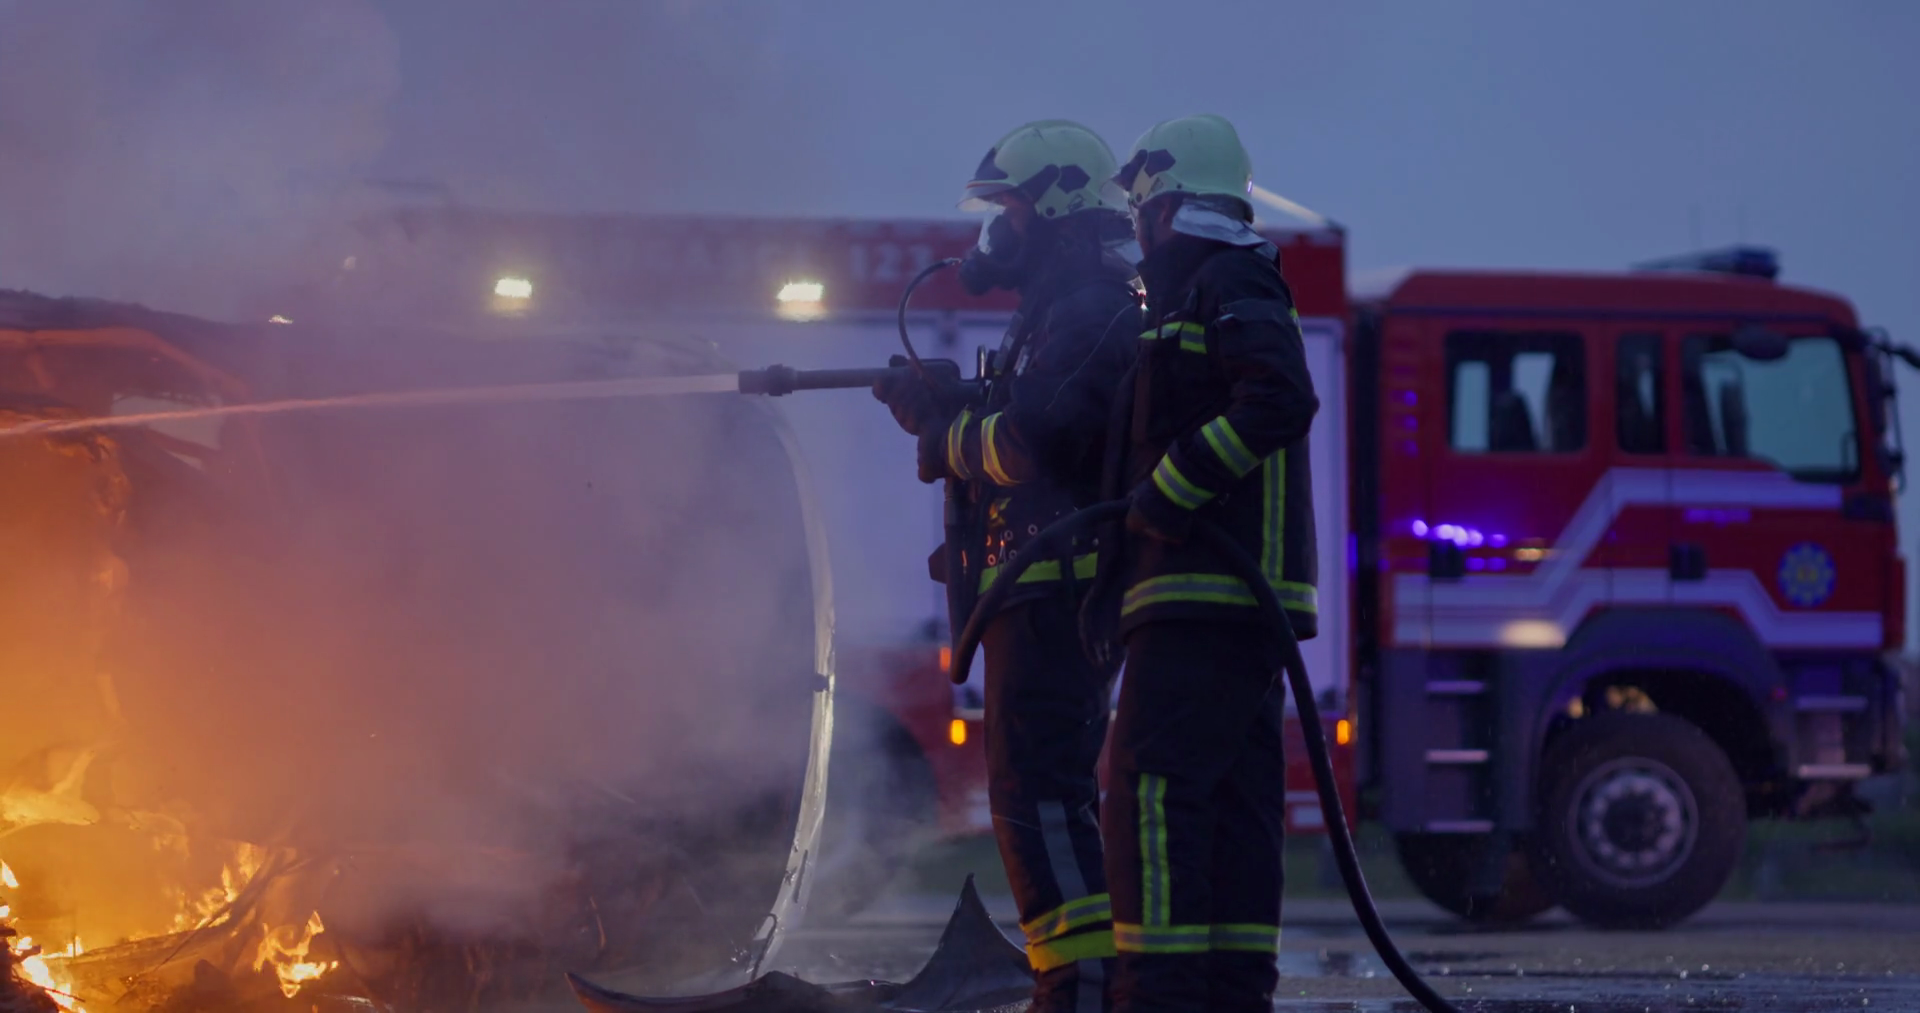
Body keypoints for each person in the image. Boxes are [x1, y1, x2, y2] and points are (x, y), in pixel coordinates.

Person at [874, 119, 1141, 1013]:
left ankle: (1081, 988)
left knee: (1044, 800)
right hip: (1036, 593)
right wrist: (949, 403)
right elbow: (1026, 414)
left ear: (1057, 208)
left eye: (1009, 211)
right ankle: (1073, 982)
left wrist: (946, 435)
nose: (994, 234)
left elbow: (1039, 439)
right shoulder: (1058, 310)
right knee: (1035, 799)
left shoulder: (1093, 310)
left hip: (1057, 600)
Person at [1099, 113, 1320, 1013]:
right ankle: (1230, 997)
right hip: (1227, 601)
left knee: (1149, 792)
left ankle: (1157, 995)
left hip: (1207, 591)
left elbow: (1278, 397)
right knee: (1232, 807)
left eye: (1144, 205)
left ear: (1170, 200)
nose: (1139, 226)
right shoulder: (1210, 285)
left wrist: (1171, 489)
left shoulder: (1227, 277)